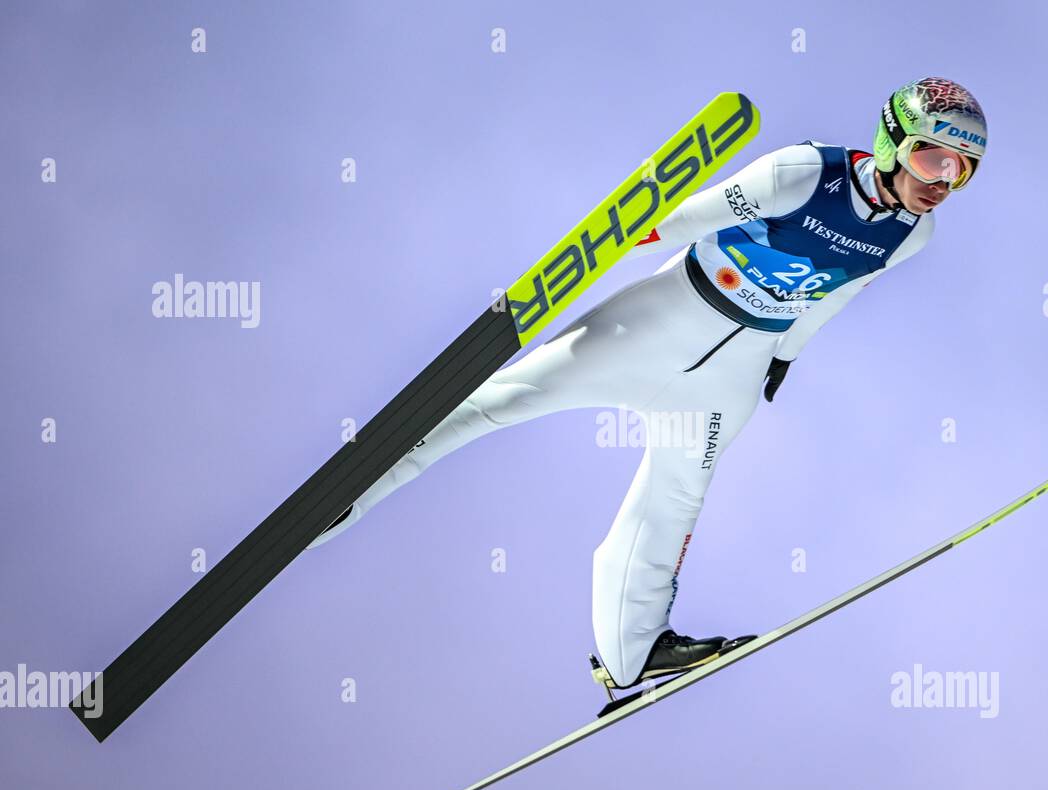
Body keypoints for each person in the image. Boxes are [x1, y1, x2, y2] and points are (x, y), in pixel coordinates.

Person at [309, 76, 989, 692]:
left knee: (671, 504)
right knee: (501, 402)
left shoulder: (914, 235)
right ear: (894, 141)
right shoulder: (809, 171)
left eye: (962, 171)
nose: (942, 180)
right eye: (934, 157)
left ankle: (630, 655)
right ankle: (347, 495)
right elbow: (700, 213)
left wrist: (786, 356)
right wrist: (637, 228)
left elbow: (839, 293)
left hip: (733, 371)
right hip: (661, 320)